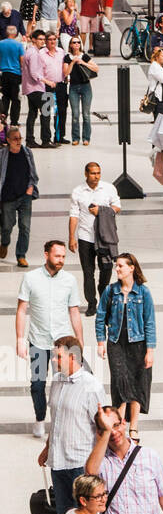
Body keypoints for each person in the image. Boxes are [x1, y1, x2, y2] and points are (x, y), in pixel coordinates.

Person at [17, 240, 83, 438]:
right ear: (46, 254)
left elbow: (74, 311)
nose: (61, 260)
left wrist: (79, 340)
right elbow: (21, 310)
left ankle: (60, 422)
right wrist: (20, 339)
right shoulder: (30, 278)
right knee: (38, 384)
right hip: (38, 340)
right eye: (57, 256)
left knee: (63, 383)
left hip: (62, 344)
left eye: (63, 256)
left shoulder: (70, 280)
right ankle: (40, 418)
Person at [39, 335, 105, 514]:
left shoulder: (92, 386)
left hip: (80, 466)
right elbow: (56, 421)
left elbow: (103, 429)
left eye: (58, 357)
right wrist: (47, 449)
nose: (53, 360)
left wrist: (96, 466)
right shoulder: (56, 381)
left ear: (73, 357)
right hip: (58, 463)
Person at [94, 253, 155, 441]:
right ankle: (119, 424)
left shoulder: (143, 292)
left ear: (132, 268)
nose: (117, 269)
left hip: (138, 344)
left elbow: (150, 322)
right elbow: (100, 317)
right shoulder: (110, 291)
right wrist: (101, 342)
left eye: (121, 266)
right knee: (120, 383)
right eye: (117, 266)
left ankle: (133, 427)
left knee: (138, 384)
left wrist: (150, 350)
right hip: (116, 343)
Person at [69, 161, 120, 314]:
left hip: (104, 237)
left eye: (98, 173)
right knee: (88, 272)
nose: (96, 176)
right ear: (86, 174)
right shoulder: (78, 192)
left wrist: (101, 211)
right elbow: (74, 215)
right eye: (92, 173)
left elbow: (117, 207)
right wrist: (72, 237)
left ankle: (103, 292)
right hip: (85, 237)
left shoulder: (109, 188)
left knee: (106, 268)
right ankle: (91, 303)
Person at [0, 125, 37, 268]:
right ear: (8, 140)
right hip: (8, 197)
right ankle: (4, 243)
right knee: (7, 226)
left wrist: (30, 188)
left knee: (25, 227)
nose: (18, 141)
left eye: (20, 138)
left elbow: (33, 173)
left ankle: (21, 255)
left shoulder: (27, 152)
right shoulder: (2, 155)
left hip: (25, 196)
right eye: (15, 139)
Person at [62, 36, 98, 145]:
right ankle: (75, 138)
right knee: (75, 114)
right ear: (71, 45)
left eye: (78, 42)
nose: (76, 44)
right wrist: (73, 62)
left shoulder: (85, 56)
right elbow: (66, 73)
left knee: (86, 114)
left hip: (86, 87)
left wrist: (83, 62)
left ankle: (86, 138)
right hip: (73, 87)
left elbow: (96, 68)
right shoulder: (67, 58)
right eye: (74, 42)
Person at [0, 23, 24, 127]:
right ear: (16, 34)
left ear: (6, 33)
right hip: (15, 73)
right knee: (15, 98)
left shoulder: (0, 43)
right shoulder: (19, 45)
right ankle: (14, 121)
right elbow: (22, 60)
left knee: (5, 97)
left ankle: (2, 118)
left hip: (3, 73)